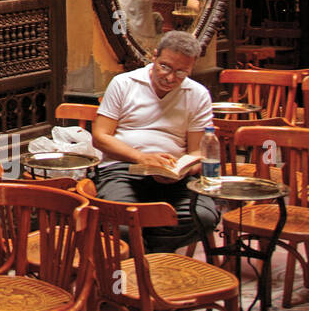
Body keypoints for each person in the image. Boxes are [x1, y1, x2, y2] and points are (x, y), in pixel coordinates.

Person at [92, 30, 219, 252]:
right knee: (121, 222)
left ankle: (142, 252)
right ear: (154, 56)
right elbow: (100, 137)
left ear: (191, 68)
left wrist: (181, 170)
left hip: (174, 176)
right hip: (124, 169)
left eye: (181, 72)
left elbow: (198, 153)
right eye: (165, 67)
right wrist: (142, 158)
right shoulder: (124, 83)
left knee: (204, 217)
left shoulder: (197, 94)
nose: (170, 77)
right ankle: (148, 255)